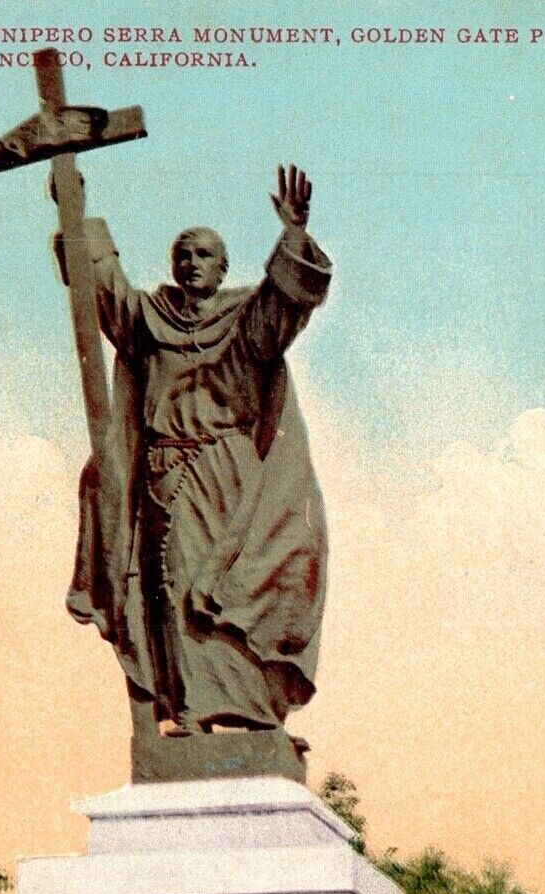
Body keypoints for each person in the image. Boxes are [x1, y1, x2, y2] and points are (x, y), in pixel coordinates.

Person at [67, 166, 331, 743]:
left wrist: (292, 235)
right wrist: (79, 214)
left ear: (223, 267)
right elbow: (106, 295)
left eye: (205, 255)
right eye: (183, 254)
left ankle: (257, 710)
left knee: (236, 588)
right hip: (165, 472)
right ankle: (187, 709)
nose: (191, 263)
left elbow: (283, 308)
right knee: (169, 584)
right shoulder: (149, 318)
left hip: (227, 472)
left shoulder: (245, 319)